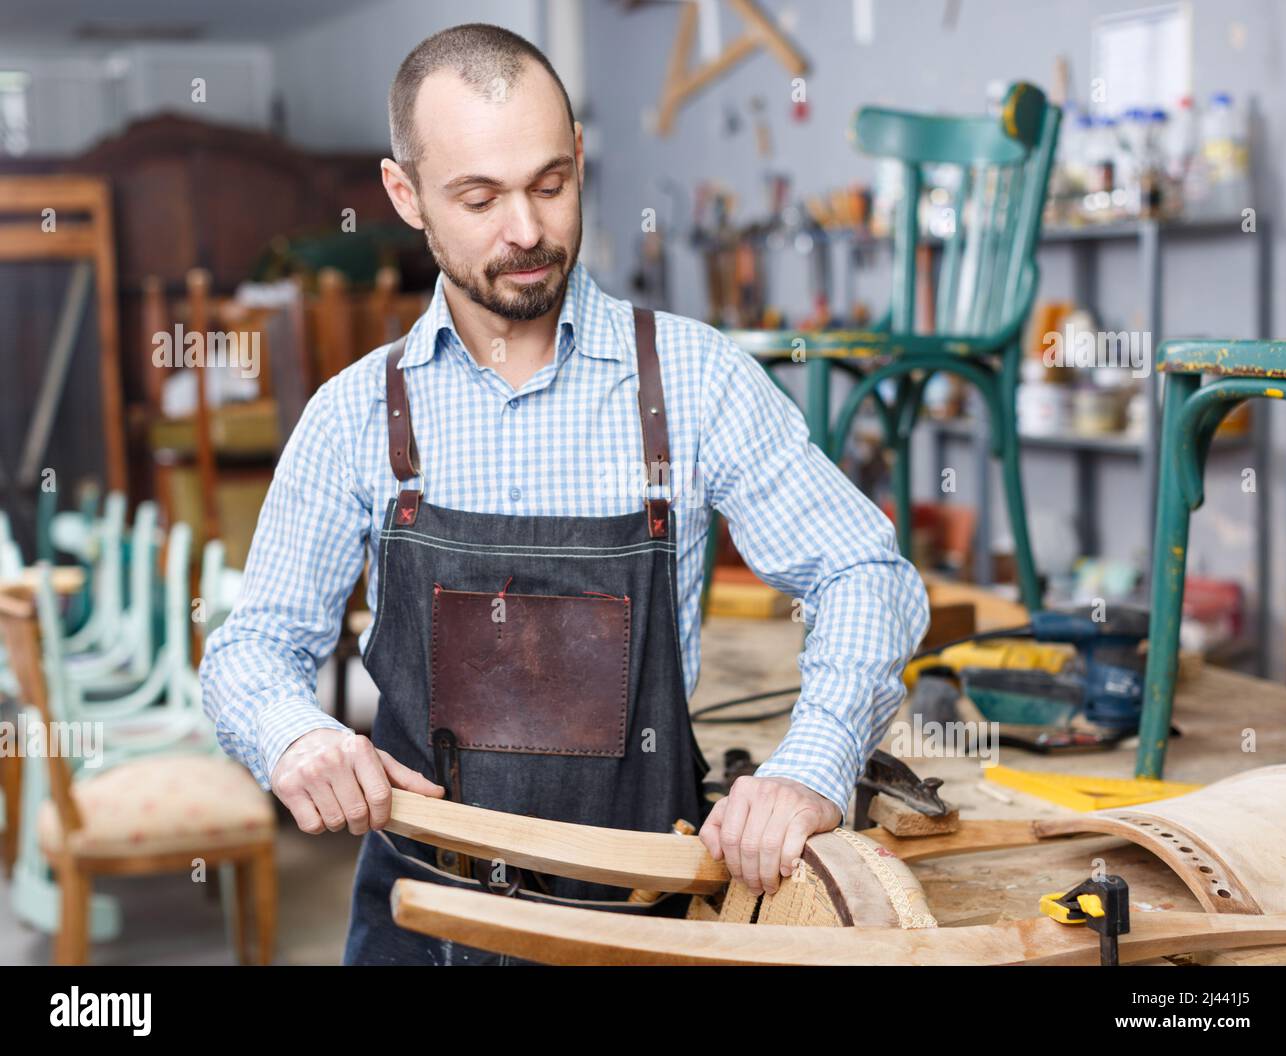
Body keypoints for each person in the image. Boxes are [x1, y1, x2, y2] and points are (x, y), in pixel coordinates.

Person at [200, 22, 929, 965]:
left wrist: (810, 768)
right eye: (479, 196)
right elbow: (250, 648)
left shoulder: (696, 383)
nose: (528, 230)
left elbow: (864, 570)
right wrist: (296, 736)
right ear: (404, 195)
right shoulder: (354, 416)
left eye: (551, 183)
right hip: (425, 919)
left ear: (580, 156)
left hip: (643, 911)